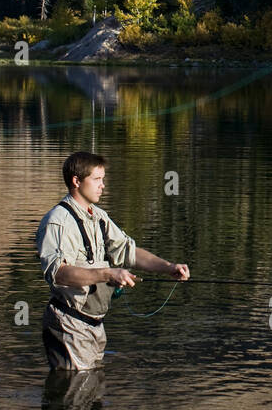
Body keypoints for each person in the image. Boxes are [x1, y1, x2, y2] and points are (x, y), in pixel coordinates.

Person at [35, 151, 189, 370]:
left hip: (95, 324)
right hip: (68, 324)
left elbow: (129, 251)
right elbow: (58, 272)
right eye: (97, 179)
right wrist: (108, 273)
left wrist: (168, 267)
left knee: (91, 392)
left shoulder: (98, 217)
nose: (103, 185)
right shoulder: (57, 222)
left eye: (103, 179)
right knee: (74, 394)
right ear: (76, 181)